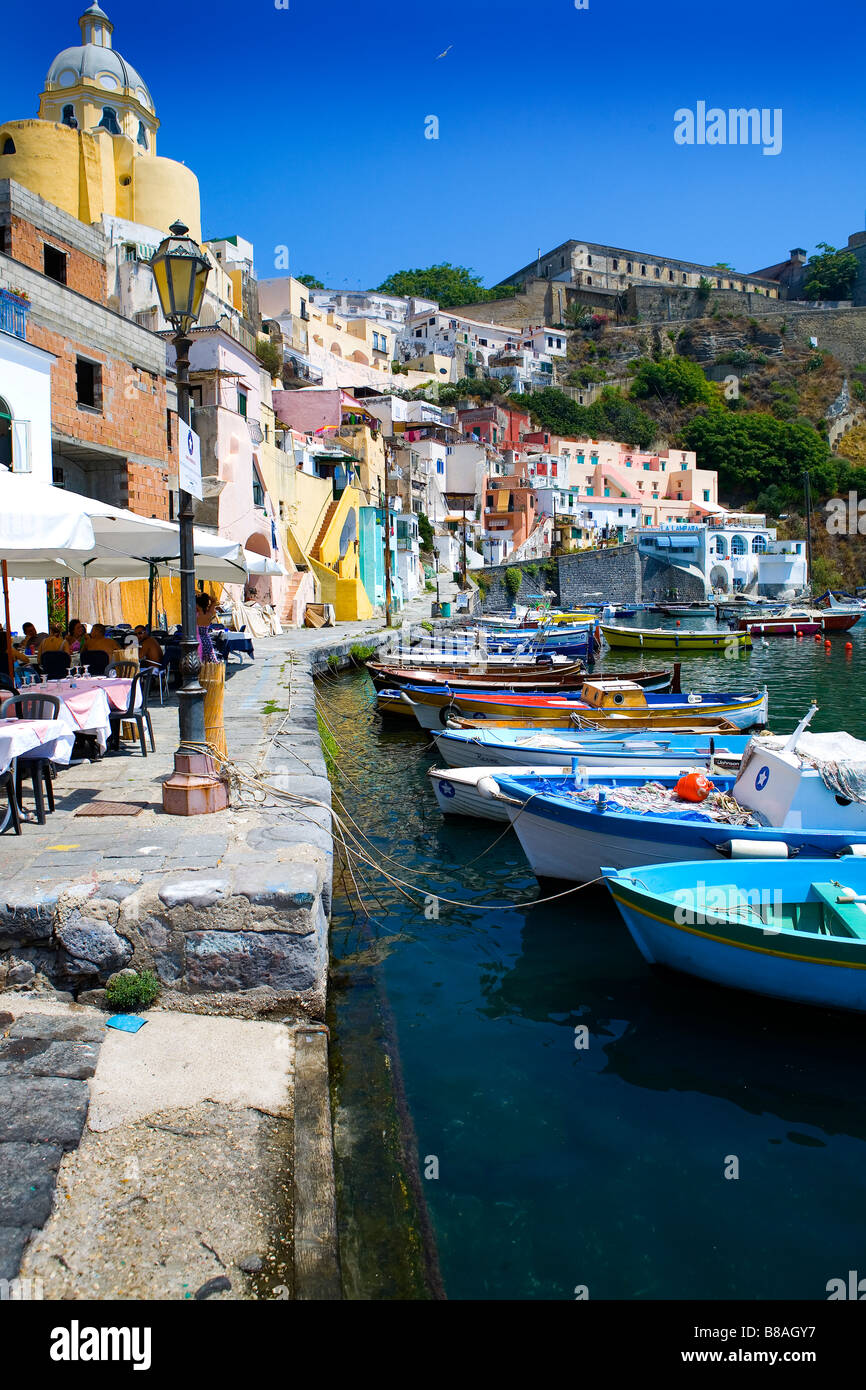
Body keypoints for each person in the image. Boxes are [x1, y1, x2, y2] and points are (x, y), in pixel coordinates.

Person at [195, 591, 219, 663]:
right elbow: (214, 600)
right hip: (207, 641)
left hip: (198, 642)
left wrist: (200, 594)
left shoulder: (196, 614)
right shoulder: (209, 614)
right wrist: (206, 596)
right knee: (209, 665)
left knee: (199, 665)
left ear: (197, 605)